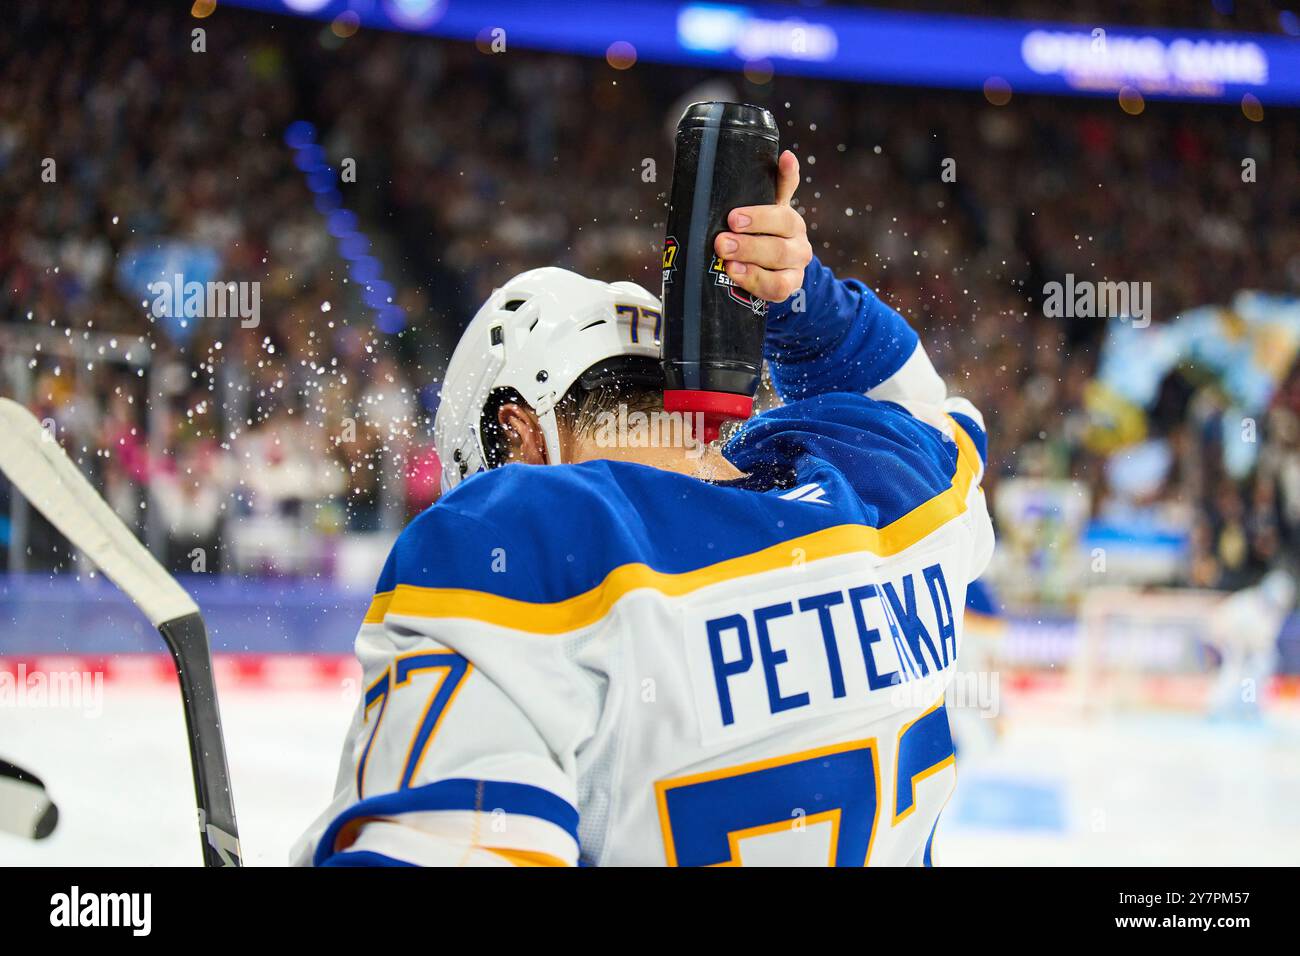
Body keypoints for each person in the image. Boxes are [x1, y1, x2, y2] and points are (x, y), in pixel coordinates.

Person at [294, 151, 994, 866]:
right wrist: (797, 295)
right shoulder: (900, 481)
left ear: (518, 433)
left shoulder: (523, 539)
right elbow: (923, 407)